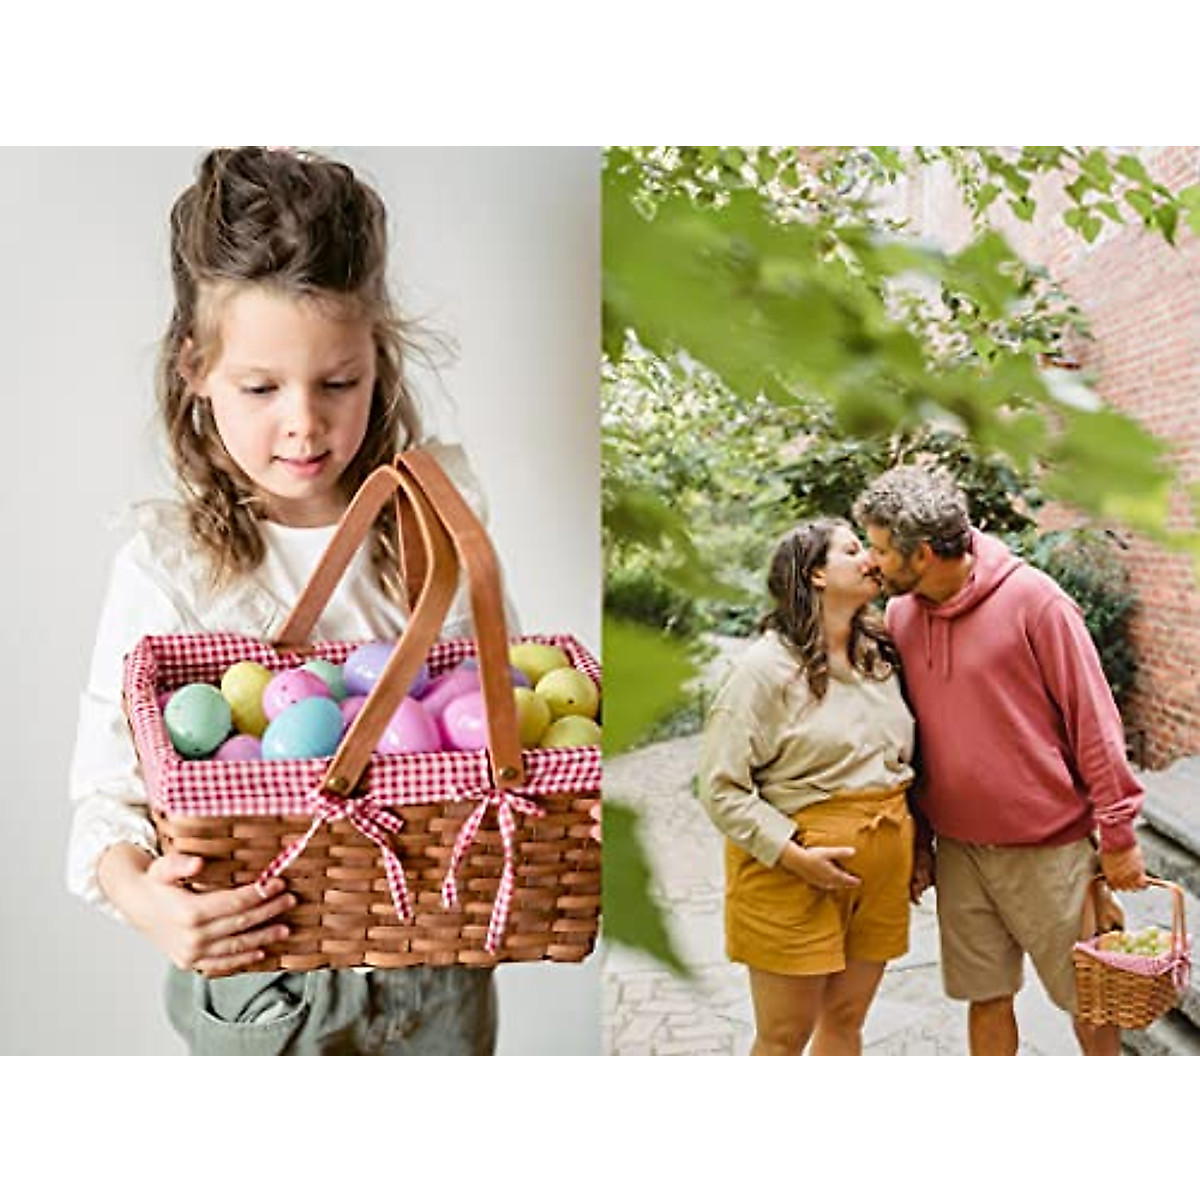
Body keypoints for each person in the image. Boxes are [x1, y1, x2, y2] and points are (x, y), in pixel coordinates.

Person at [67, 147, 519, 1054]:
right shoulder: (172, 566)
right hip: (268, 978)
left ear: (378, 361)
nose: (305, 422)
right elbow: (105, 794)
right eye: (261, 388)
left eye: (338, 382)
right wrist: (143, 898)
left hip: (434, 962)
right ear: (195, 368)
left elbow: (485, 713)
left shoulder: (430, 520)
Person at [854, 466, 1147, 1056]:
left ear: (928, 553)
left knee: (1092, 1006)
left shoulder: (1035, 602)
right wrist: (919, 843)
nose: (872, 560)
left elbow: (1093, 721)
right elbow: (912, 737)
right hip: (960, 852)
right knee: (985, 1000)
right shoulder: (903, 617)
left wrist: (1117, 834)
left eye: (883, 549)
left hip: (1049, 851)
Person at [698, 519, 917, 1055]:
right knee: (783, 1037)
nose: (870, 557)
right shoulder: (762, 672)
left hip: (882, 869)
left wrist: (921, 847)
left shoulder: (881, 654)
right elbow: (720, 788)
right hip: (791, 878)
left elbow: (900, 762)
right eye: (852, 549)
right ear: (817, 573)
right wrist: (795, 857)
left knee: (845, 1021)